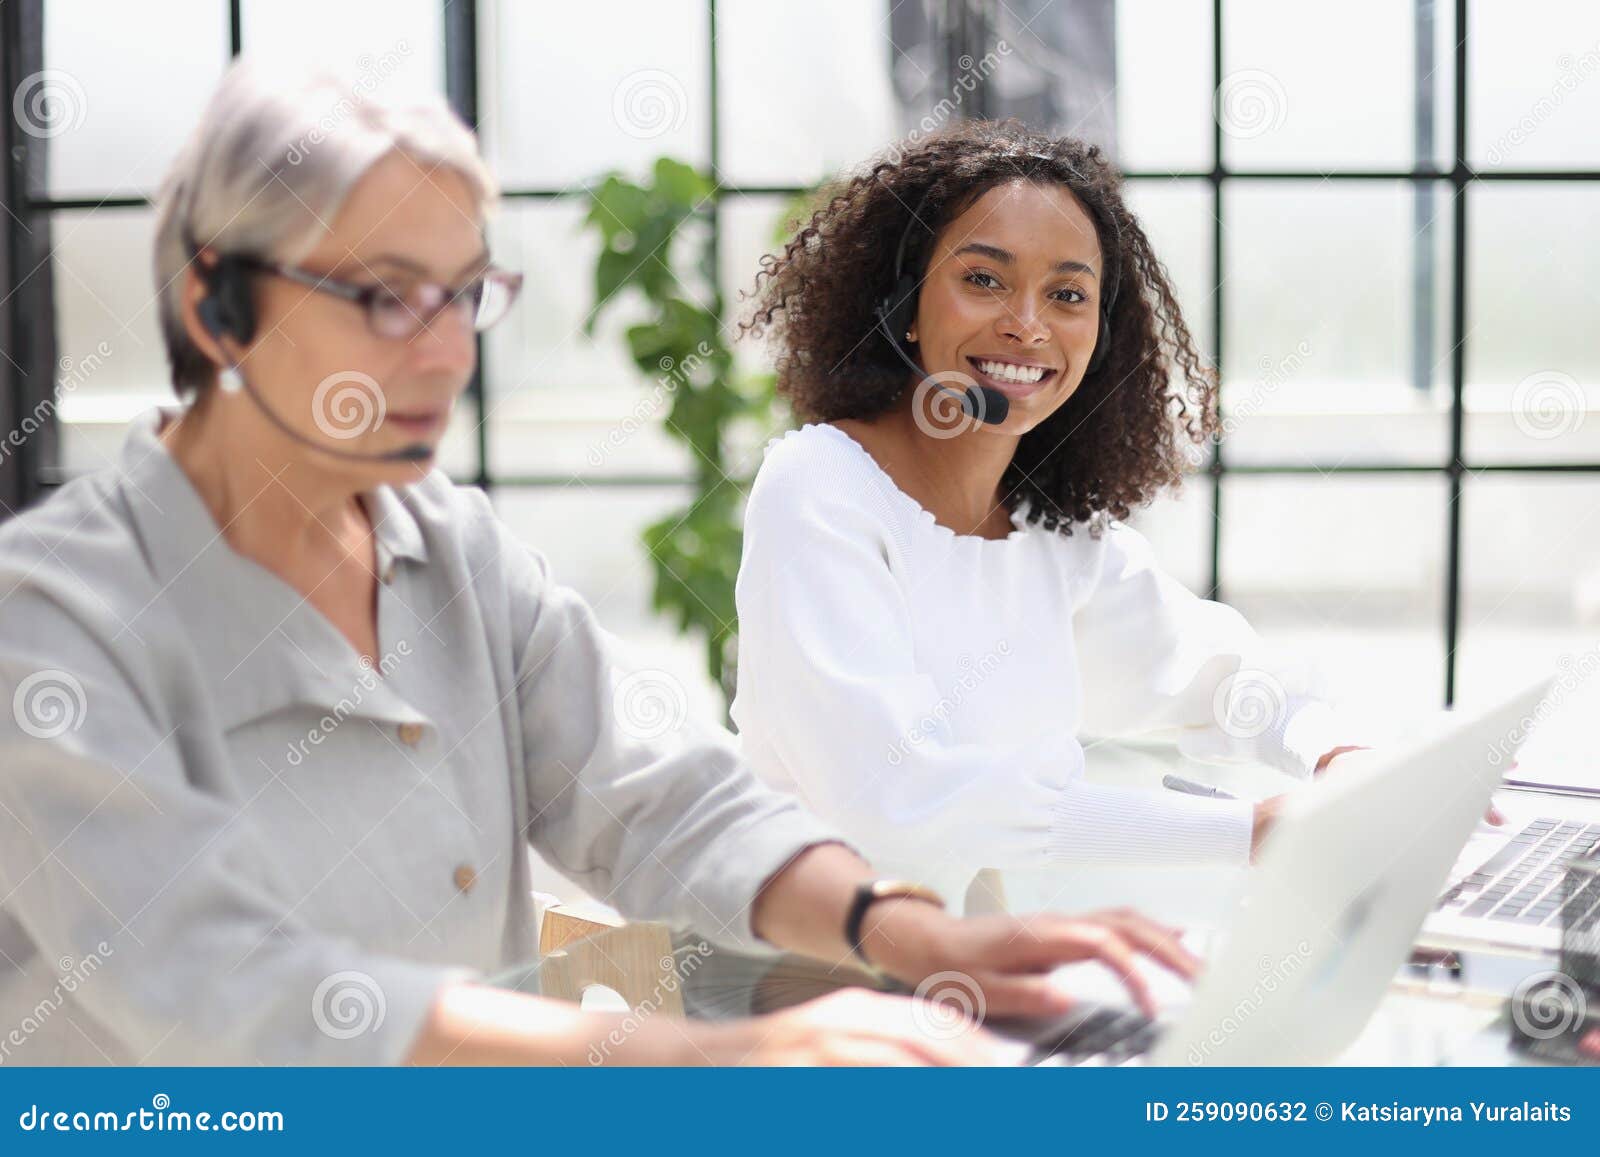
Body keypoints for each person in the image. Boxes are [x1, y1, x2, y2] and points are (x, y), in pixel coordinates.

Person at [0, 64, 1197, 1067]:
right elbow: (223, 986)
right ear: (215, 300)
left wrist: (901, 928)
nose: (440, 351)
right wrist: (713, 1053)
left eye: (465, 294)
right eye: (381, 296)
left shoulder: (455, 549)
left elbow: (659, 797)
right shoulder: (54, 612)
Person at [730, 120, 1370, 907]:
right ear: (905, 306)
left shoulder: (1048, 533)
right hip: (809, 988)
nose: (1027, 323)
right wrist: (1248, 831)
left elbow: (1220, 677)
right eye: (985, 280)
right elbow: (906, 803)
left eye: (1067, 294)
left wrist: (1337, 754)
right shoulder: (819, 488)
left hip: (973, 974)